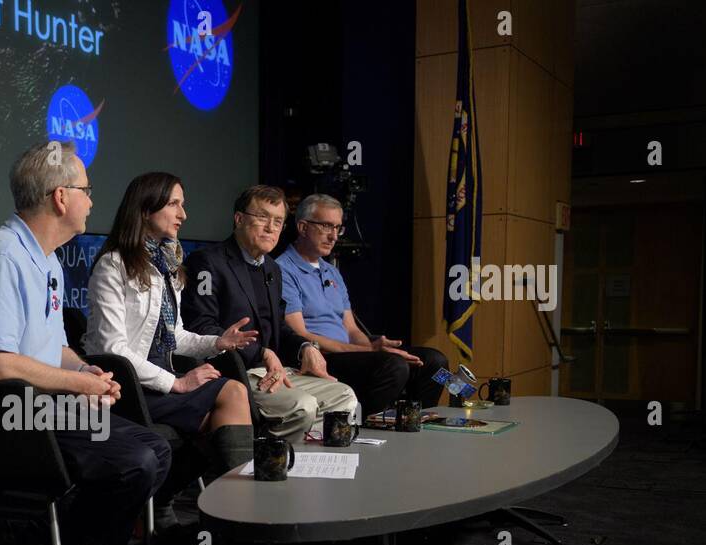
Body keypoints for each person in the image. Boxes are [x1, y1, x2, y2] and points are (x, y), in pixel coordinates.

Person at [0, 140, 171, 545]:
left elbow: (55, 348)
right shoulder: (4, 256)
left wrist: (88, 370)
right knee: (135, 461)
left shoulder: (45, 258)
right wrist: (79, 384)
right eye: (86, 189)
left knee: (155, 446)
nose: (92, 200)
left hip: (32, 406)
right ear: (60, 197)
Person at [84, 172, 260, 490]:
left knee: (228, 406)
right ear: (145, 209)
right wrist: (177, 383)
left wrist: (216, 341)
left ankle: (169, 506)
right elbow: (112, 348)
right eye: (174, 204)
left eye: (183, 204)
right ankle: (237, 515)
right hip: (128, 390)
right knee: (229, 402)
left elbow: (173, 335)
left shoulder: (168, 266)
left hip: (160, 385)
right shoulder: (113, 265)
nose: (183, 214)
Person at [181, 184, 357, 441]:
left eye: (278, 221)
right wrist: (261, 352)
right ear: (239, 219)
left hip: (274, 370)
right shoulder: (207, 263)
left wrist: (306, 347)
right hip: (235, 371)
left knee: (343, 397)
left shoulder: (272, 270)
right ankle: (270, 462)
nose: (271, 227)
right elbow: (201, 328)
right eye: (262, 217)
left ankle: (307, 461)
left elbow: (281, 329)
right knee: (302, 406)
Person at [278, 193, 449, 416]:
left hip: (352, 353)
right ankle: (364, 427)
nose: (333, 236)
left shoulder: (331, 271)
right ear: (302, 227)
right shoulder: (283, 269)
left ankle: (416, 421)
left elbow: (351, 329)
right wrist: (369, 350)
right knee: (393, 365)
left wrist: (371, 346)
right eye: (326, 226)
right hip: (320, 358)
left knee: (435, 361)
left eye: (338, 228)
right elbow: (299, 333)